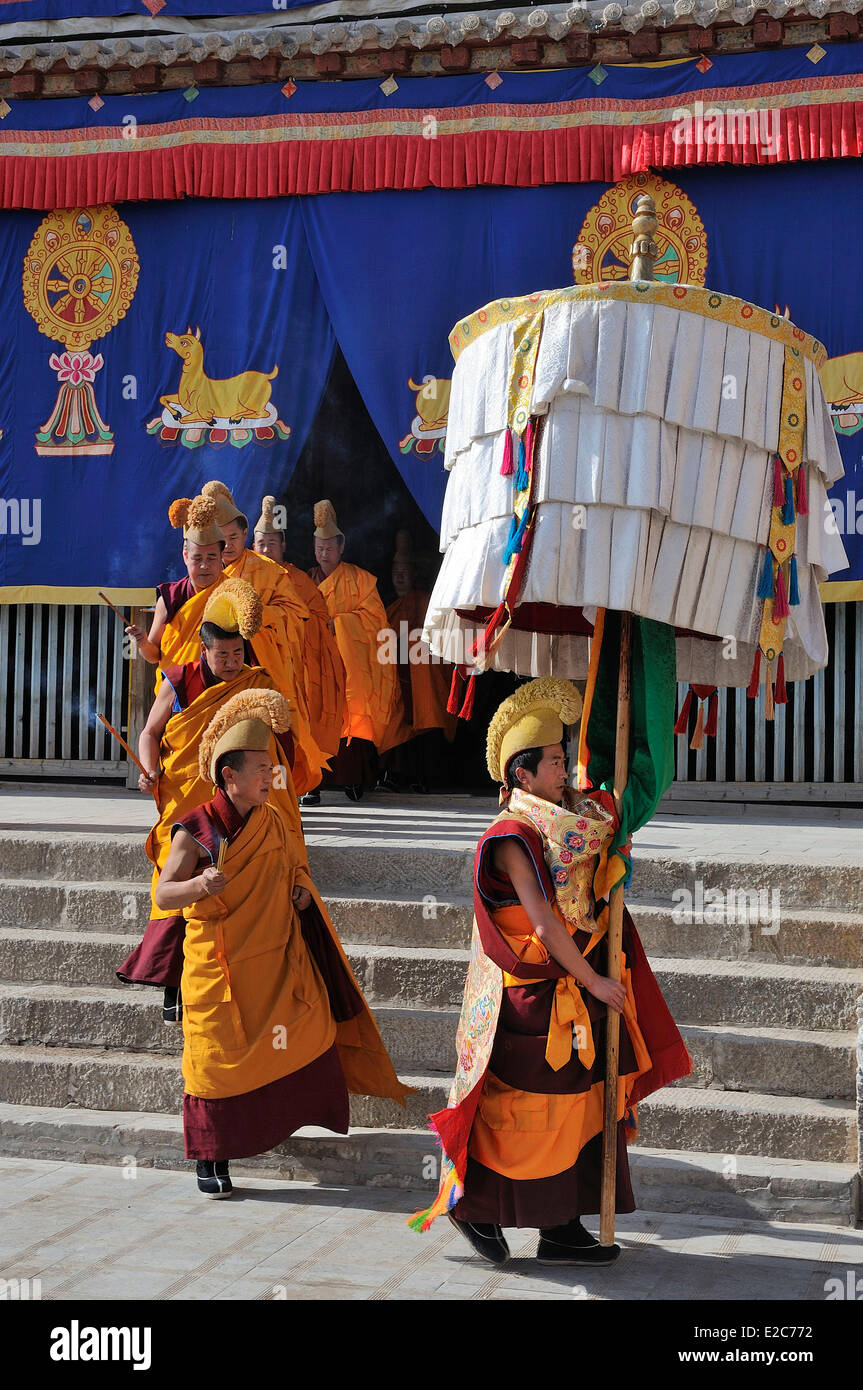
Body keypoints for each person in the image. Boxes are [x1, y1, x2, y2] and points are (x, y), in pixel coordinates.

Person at [409, 678, 691, 1265]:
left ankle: (561, 1227)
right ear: (523, 774)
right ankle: (475, 1211)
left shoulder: (566, 825)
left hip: (570, 986)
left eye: (565, 759)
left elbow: (590, 866)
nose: (566, 771)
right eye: (556, 762)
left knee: (579, 1106)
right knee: (522, 1116)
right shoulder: (512, 836)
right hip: (530, 997)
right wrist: (594, 981)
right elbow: (543, 923)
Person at [154, 688, 410, 1196]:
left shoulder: (274, 819)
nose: (272, 777)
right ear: (229, 776)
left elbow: (294, 867)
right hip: (221, 967)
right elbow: (164, 893)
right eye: (260, 769)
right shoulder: (196, 829)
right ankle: (211, 1156)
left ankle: (279, 1123)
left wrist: (300, 890)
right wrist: (198, 885)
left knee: (308, 1030)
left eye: (272, 767)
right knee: (215, 1061)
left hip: (274, 959)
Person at [116, 579, 303, 1023]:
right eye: (222, 656)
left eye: (238, 654)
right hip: (186, 798)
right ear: (204, 650)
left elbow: (279, 746)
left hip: (239, 804)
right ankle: (171, 985)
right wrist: (150, 770)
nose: (232, 663)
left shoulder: (257, 683)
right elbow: (150, 734)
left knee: (236, 890)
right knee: (179, 885)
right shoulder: (178, 679)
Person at [200, 479, 329, 797]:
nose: (228, 545)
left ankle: (278, 803)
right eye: (222, 538)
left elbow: (296, 617)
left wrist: (256, 616)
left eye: (234, 537)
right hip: (216, 673)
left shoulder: (269, 572)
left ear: (245, 536)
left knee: (266, 743)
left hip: (262, 672)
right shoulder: (205, 572)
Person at [306, 499, 401, 803]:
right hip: (318, 666)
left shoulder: (359, 580)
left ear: (341, 546)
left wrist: (340, 624)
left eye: (329, 548)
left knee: (353, 717)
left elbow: (376, 620)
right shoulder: (306, 581)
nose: (324, 554)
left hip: (351, 667)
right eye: (319, 548)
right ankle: (311, 784)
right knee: (315, 720)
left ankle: (352, 780)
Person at [252, 494, 346, 771]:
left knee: (298, 724)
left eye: (272, 544)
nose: (266, 550)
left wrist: (288, 624)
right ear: (252, 546)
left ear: (283, 546)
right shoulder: (241, 576)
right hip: (256, 664)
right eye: (261, 544)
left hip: (297, 666)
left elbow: (319, 617)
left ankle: (306, 779)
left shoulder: (298, 580)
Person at [377, 529, 456, 793]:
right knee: (395, 724)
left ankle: (425, 778)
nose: (399, 576)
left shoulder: (426, 603)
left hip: (424, 682)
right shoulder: (388, 609)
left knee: (427, 723)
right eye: (395, 571)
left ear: (414, 573)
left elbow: (436, 639)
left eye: (405, 571)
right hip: (399, 682)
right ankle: (396, 775)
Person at [124, 494, 227, 677]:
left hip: (220, 690)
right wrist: (142, 643)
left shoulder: (231, 592)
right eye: (197, 558)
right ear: (185, 556)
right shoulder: (171, 597)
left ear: (221, 558)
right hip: (177, 693)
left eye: (211, 557)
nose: (204, 566)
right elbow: (154, 655)